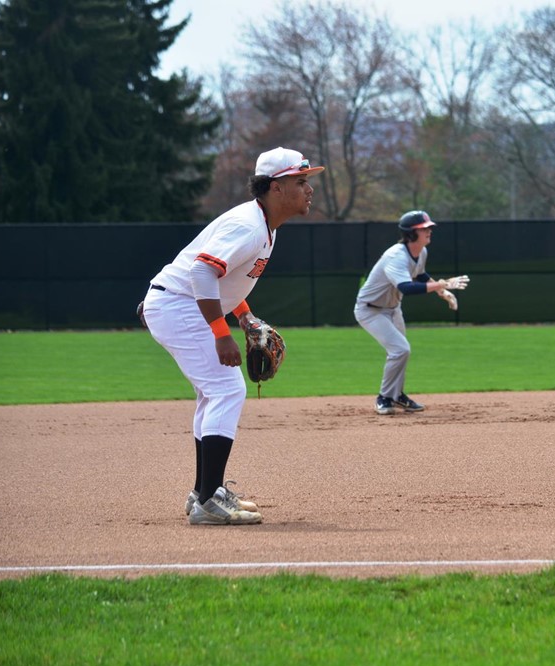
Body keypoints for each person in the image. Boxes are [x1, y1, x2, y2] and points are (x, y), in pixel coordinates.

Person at [139, 147, 325, 525]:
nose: (309, 190)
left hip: (181, 304)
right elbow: (202, 274)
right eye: (301, 182)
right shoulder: (249, 226)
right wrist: (221, 333)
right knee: (227, 390)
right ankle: (208, 501)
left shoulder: (265, 226)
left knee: (214, 393)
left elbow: (226, 281)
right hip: (179, 305)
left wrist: (245, 316)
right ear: (275, 187)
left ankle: (204, 493)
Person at [355, 210, 469, 415]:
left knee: (400, 353)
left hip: (392, 308)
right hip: (370, 310)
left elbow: (421, 275)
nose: (429, 231)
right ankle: (384, 398)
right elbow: (407, 287)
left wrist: (442, 291)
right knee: (400, 349)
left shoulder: (420, 252)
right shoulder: (395, 256)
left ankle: (397, 395)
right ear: (410, 233)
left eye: (429, 227)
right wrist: (443, 283)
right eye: (424, 228)